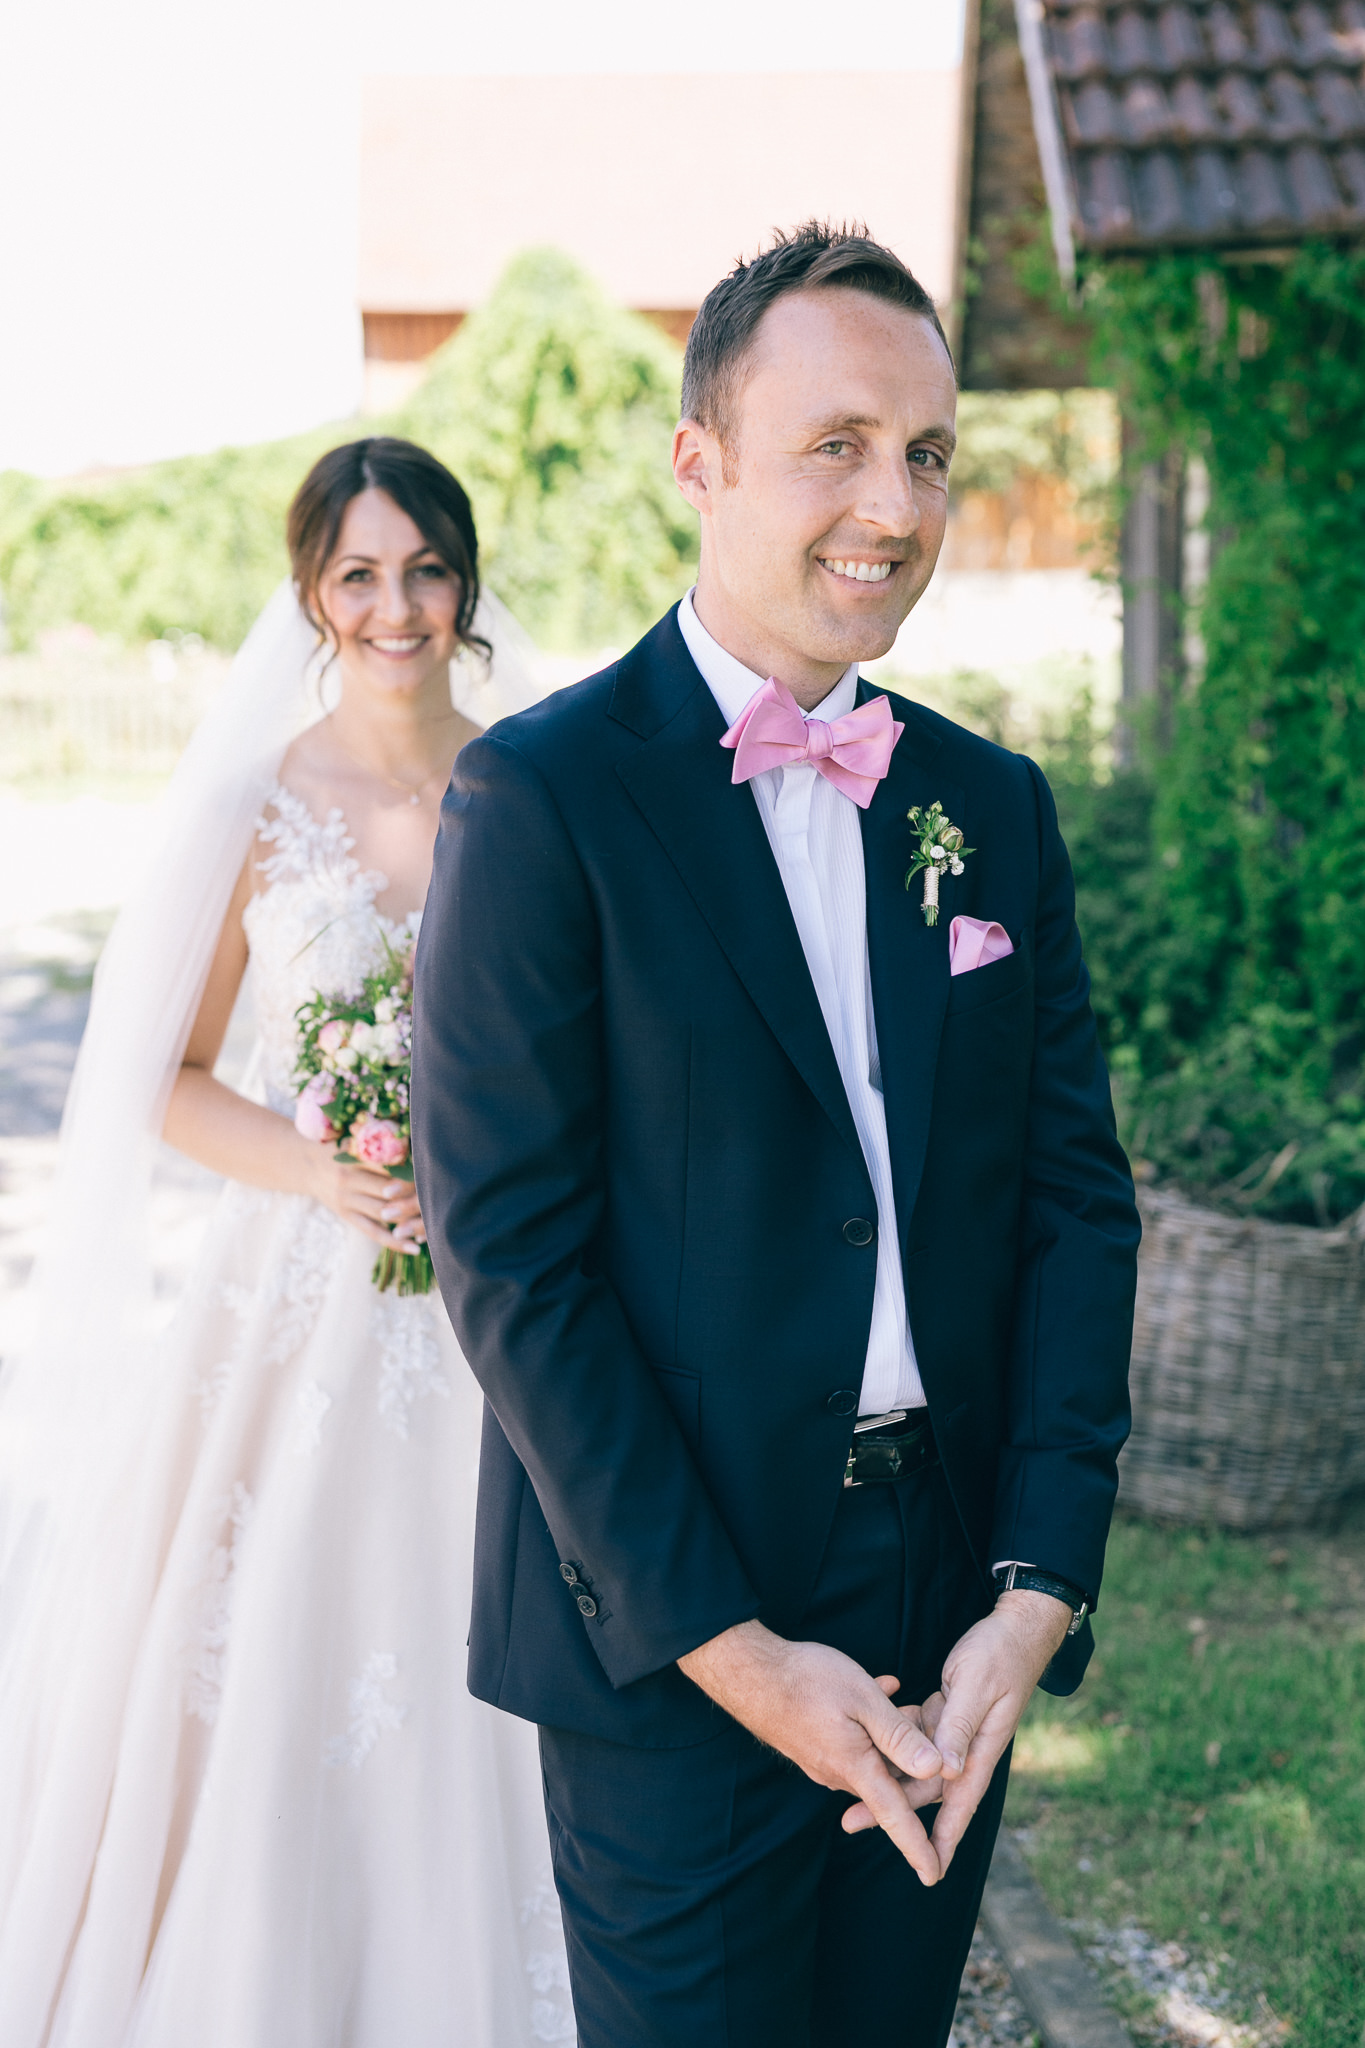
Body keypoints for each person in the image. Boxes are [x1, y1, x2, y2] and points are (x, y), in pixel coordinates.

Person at [412, 224, 1139, 2048]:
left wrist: (1035, 1585)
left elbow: (1071, 1207)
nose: (891, 504)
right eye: (834, 445)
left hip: (941, 1595)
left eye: (926, 453)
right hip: (674, 1617)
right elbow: (513, 1263)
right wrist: (735, 1653)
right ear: (699, 461)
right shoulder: (540, 798)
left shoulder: (990, 807)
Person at [0, 438, 572, 2047]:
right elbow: (163, 1086)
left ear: (464, 586)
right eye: (359, 576)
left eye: (425, 571)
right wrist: (322, 1170)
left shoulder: (536, 777)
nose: (396, 607)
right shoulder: (257, 809)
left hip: (506, 1290)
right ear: (314, 595)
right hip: (312, 1300)